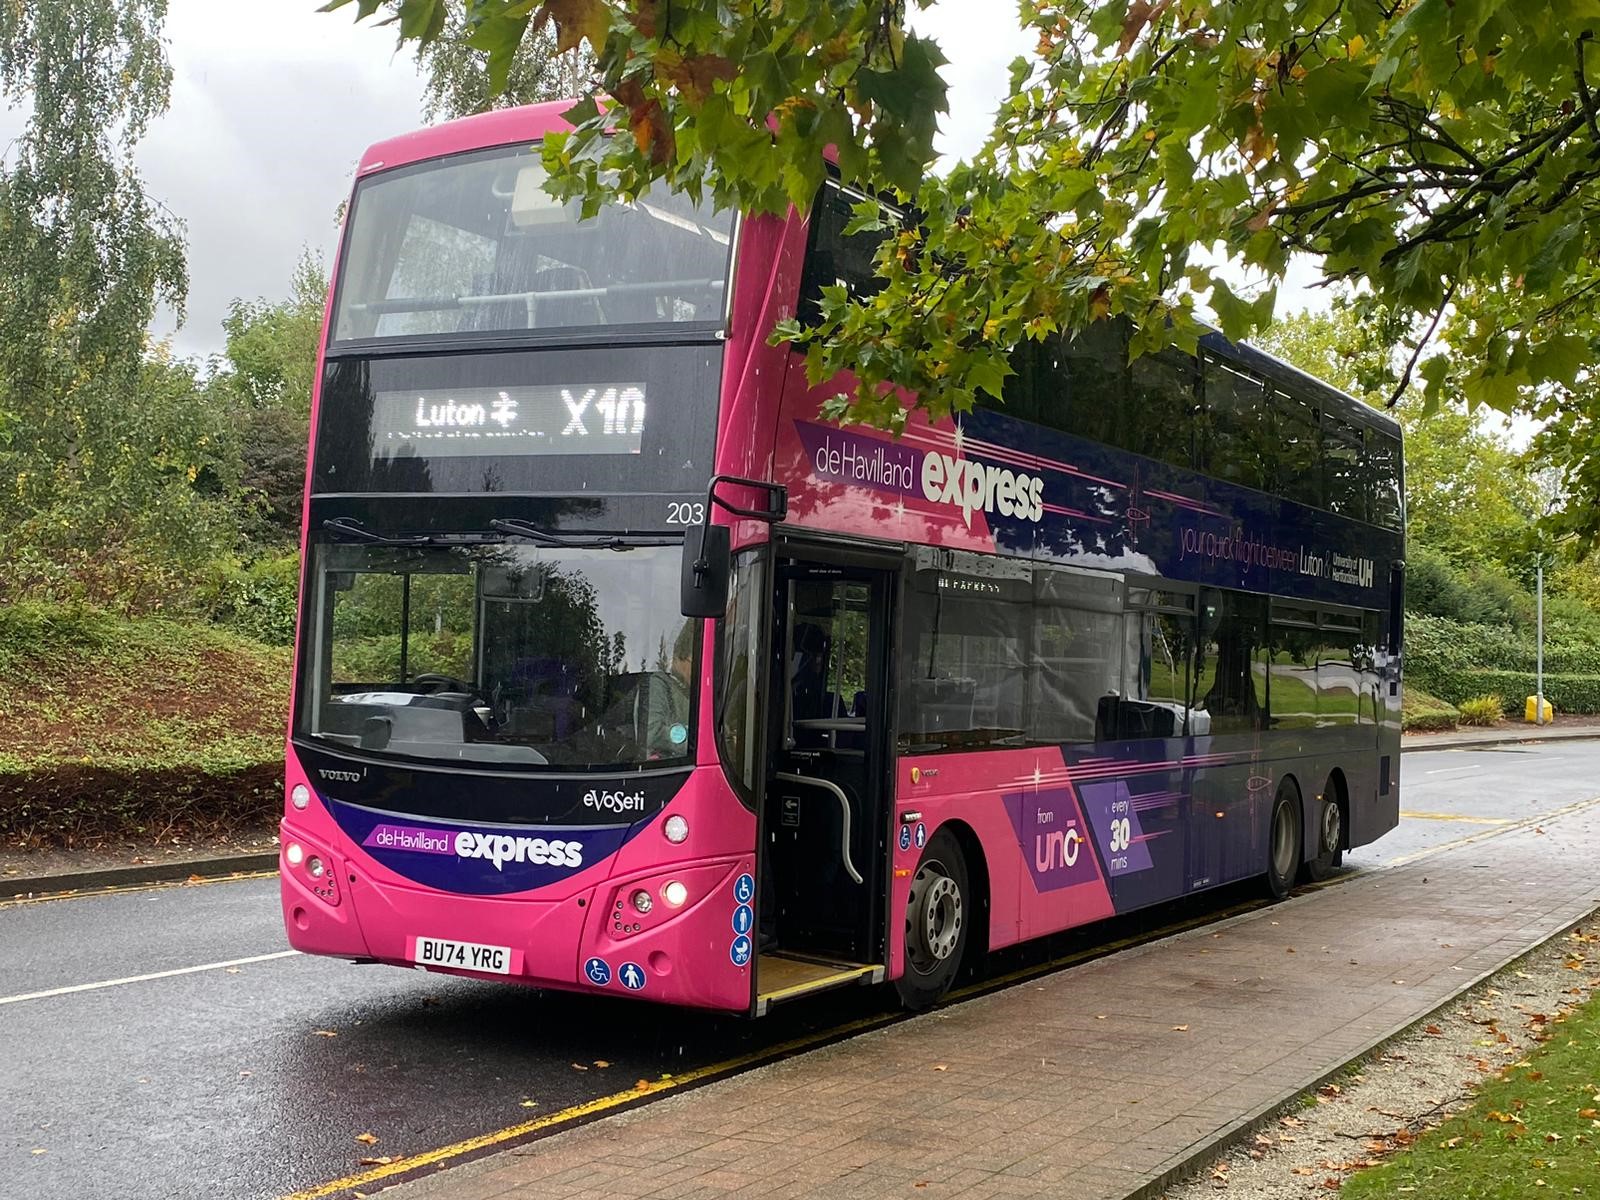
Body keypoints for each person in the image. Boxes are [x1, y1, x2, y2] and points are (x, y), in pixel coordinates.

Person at [643, 621, 695, 756]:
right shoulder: (658, 685)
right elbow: (652, 733)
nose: (699, 671)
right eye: (694, 663)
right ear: (681, 657)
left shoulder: (687, 690)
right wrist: (695, 742)